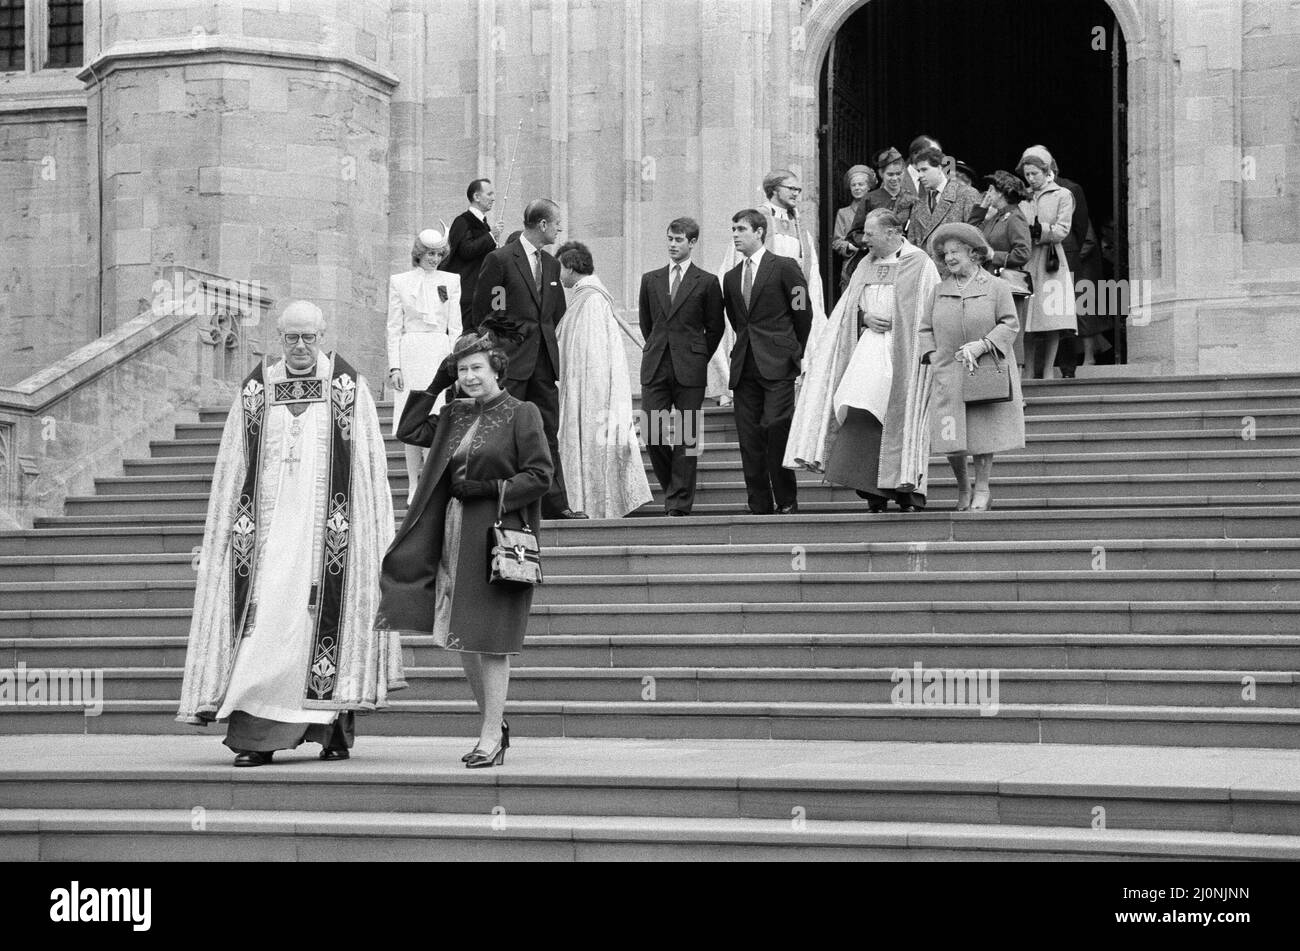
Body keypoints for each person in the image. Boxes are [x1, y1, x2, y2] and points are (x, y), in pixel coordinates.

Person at [176, 301, 402, 766]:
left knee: (322, 623)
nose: (300, 347)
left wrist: (364, 537)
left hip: (327, 539)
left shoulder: (348, 389)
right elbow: (233, 467)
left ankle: (330, 728)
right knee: (264, 628)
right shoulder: (257, 390)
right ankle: (256, 738)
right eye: (291, 338)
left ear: (323, 336)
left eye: (309, 338)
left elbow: (366, 470)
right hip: (267, 538)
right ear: (279, 338)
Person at [375, 329, 553, 768]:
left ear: (497, 370)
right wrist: (435, 385)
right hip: (452, 536)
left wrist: (490, 488)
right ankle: (494, 723)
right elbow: (410, 428)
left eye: (478, 368)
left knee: (490, 639)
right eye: (462, 370)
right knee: (463, 639)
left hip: (497, 540)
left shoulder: (521, 412)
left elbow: (540, 475)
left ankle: (490, 735)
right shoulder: (453, 414)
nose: (470, 377)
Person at [786, 209, 940, 512]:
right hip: (868, 349)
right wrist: (864, 316)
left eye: (870, 233)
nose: (863, 239)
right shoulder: (864, 265)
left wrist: (902, 323)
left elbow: (932, 308)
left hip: (904, 355)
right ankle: (873, 492)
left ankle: (907, 492)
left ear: (893, 233)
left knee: (900, 421)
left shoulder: (919, 263)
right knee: (862, 414)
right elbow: (847, 310)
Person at [472, 198, 587, 518]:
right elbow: (487, 312)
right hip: (511, 362)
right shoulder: (500, 259)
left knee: (547, 431)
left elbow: (555, 314)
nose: (560, 229)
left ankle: (555, 504)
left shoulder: (551, 265)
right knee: (501, 431)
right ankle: (495, 501)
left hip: (543, 365)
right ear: (542, 225)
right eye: (557, 223)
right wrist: (499, 353)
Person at [919, 224, 1025, 512]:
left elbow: (1010, 324)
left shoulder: (997, 287)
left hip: (984, 367)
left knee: (981, 433)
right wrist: (932, 355)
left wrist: (983, 345)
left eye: (956, 252)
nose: (949, 257)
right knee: (950, 435)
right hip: (949, 370)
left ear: (974, 254)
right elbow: (925, 329)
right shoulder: (939, 290)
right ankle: (963, 487)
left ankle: (983, 488)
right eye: (946, 253)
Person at [706, 169, 827, 406]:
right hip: (759, 301)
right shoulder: (755, 221)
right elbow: (738, 264)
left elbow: (808, 272)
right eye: (791, 188)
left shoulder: (799, 225)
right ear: (773, 189)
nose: (796, 193)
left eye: (799, 190)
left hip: (790, 301)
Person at [553, 240, 653, 519]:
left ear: (571, 267)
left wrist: (588, 397)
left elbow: (594, 356)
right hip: (581, 389)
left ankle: (596, 504)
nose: (558, 276)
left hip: (592, 393)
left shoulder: (592, 300)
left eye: (560, 268)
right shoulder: (586, 297)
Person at [722, 209, 811, 515]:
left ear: (759, 232)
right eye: (733, 229)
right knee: (749, 438)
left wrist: (794, 349)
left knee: (776, 426)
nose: (735, 234)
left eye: (741, 228)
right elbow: (737, 321)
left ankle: (786, 498)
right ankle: (758, 503)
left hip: (779, 363)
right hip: (745, 365)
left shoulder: (786, 267)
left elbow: (803, 310)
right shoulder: (731, 278)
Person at [639, 217, 725, 516]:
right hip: (656, 365)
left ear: (692, 243)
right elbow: (647, 324)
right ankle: (673, 489)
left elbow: (715, 328)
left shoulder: (708, 282)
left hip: (690, 368)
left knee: (687, 438)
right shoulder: (651, 279)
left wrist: (697, 355)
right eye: (670, 239)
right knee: (652, 433)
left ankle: (678, 503)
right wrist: (658, 348)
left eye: (679, 240)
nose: (673, 245)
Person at [387, 227, 462, 501]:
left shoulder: (451, 280)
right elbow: (393, 327)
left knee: (436, 418)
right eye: (429, 253)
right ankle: (412, 483)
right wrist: (394, 366)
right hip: (411, 352)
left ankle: (431, 480)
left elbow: (455, 327)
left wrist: (455, 365)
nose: (434, 258)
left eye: (438, 253)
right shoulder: (400, 281)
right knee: (410, 418)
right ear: (419, 254)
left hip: (439, 352)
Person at [1018, 149, 1077, 379]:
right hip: (1027, 259)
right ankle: (1029, 369)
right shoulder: (1023, 196)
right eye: (1027, 174)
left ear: (1046, 171)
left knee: (1052, 318)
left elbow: (1063, 230)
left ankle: (1048, 369)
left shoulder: (1063, 194)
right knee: (1027, 318)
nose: (1030, 178)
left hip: (1050, 260)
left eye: (1034, 173)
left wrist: (1039, 229)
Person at [970, 170, 1033, 367]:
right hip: (990, 283)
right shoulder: (997, 216)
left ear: (1001, 193)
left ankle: (1017, 385)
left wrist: (993, 256)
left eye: (991, 189)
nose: (987, 192)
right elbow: (972, 233)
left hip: (1008, 285)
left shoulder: (1014, 217)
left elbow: (1023, 252)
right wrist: (981, 208)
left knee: (1010, 333)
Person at [907, 146, 981, 270]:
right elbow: (912, 244)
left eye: (924, 170)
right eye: (918, 171)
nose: (920, 175)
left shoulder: (967, 195)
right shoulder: (918, 204)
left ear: (940, 168)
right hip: (925, 273)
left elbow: (976, 240)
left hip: (956, 273)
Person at [444, 178, 500, 325]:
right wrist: (491, 236)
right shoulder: (463, 221)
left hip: (480, 294)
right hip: (466, 294)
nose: (493, 198)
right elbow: (465, 250)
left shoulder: (484, 224)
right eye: (489, 194)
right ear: (476, 197)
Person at [830, 164, 877, 292]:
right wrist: (850, 246)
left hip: (875, 264)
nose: (857, 188)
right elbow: (836, 241)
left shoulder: (877, 211)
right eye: (853, 185)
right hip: (851, 267)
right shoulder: (843, 213)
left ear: (869, 187)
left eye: (861, 184)